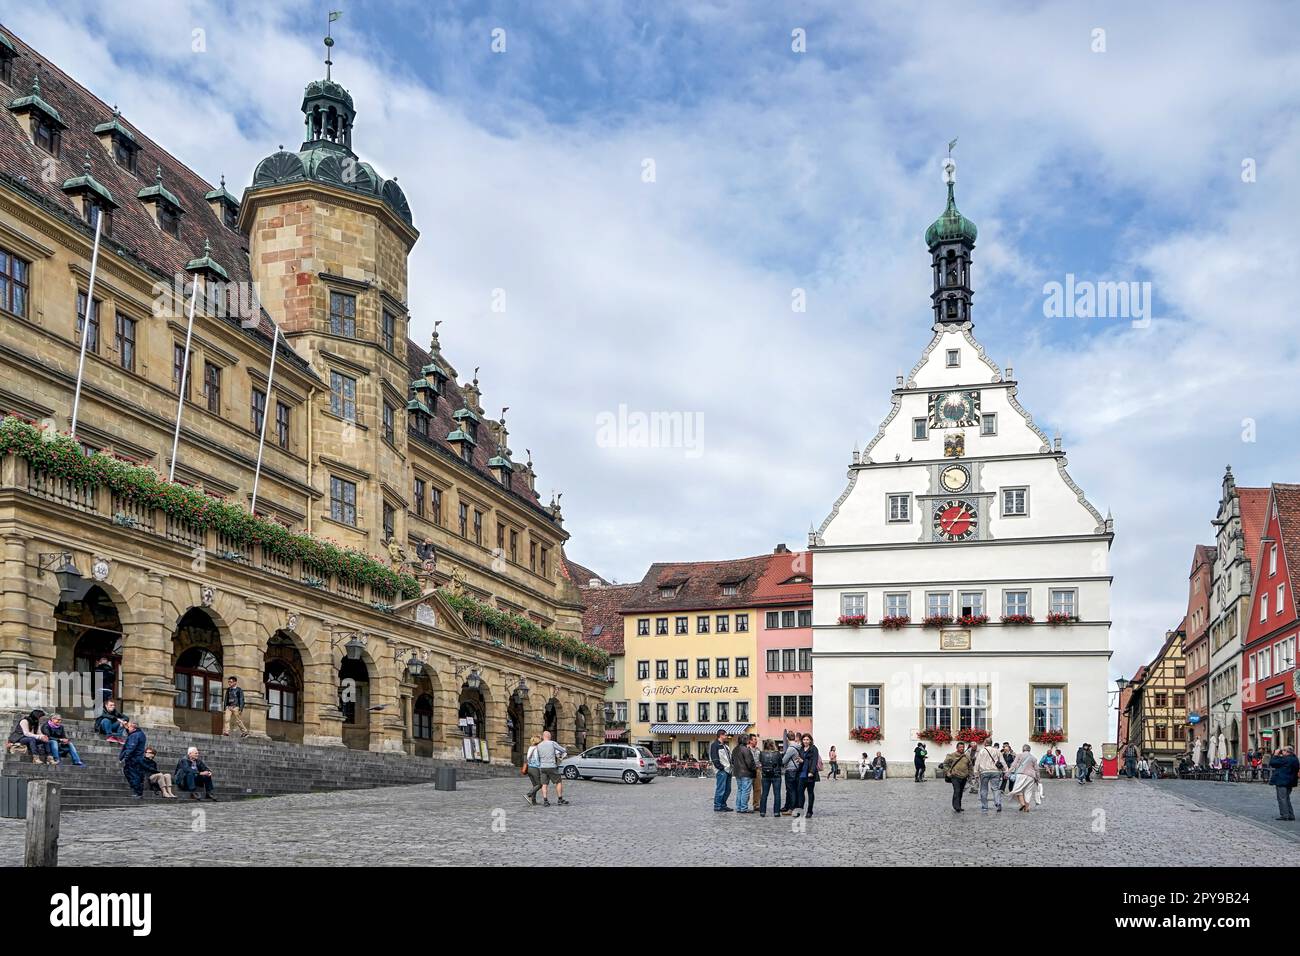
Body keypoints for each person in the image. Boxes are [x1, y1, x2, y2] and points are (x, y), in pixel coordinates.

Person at [534, 730, 568, 806]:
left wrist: (540, 764)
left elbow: (536, 758)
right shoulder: (552, 743)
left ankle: (545, 801)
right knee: (558, 782)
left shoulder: (538, 745)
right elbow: (562, 750)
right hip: (552, 766)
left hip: (543, 767)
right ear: (549, 736)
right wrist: (564, 750)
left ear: (543, 737)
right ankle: (560, 799)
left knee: (544, 784)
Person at [973, 738, 1007, 812]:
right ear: (991, 743)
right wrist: (1005, 771)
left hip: (984, 772)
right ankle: (998, 803)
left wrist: (976, 773)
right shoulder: (997, 751)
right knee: (995, 788)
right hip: (995, 772)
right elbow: (1002, 762)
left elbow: (977, 763)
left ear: (985, 743)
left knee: (984, 789)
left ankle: (985, 806)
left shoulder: (982, 751)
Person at [118, 719, 148, 799]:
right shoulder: (139, 733)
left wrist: (125, 757)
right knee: (134, 774)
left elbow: (131, 747)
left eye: (129, 727)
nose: (128, 728)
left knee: (133, 775)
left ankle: (137, 793)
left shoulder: (135, 735)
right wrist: (125, 727)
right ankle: (138, 792)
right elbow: (131, 735)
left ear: (134, 728)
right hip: (138, 758)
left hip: (133, 759)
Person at [1269, 745, 1299, 821]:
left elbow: (1272, 762)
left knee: (1282, 798)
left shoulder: (1286, 759)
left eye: (1283, 750)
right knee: (1286, 798)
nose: (1282, 751)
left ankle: (1284, 815)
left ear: (1287, 752)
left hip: (1282, 781)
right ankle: (1290, 815)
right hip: (1290, 781)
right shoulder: (1295, 759)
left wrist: (1275, 754)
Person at [1009, 744, 1040, 812]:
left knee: (1017, 790)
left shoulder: (1019, 755)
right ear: (1029, 750)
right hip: (1031, 776)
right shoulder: (1033, 758)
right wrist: (1038, 779)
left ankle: (1023, 804)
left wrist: (1008, 772)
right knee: (1028, 792)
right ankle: (1027, 807)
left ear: (1023, 749)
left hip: (1021, 775)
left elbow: (1013, 765)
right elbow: (1037, 769)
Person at [795, 733, 820, 818]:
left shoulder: (814, 749)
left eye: (807, 740)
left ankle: (810, 811)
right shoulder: (801, 749)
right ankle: (800, 810)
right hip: (802, 774)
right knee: (800, 793)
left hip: (809, 774)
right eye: (804, 739)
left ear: (810, 740)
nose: (805, 741)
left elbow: (814, 761)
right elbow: (801, 760)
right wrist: (800, 761)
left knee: (810, 793)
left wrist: (812, 772)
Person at [942, 743, 972, 812]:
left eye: (963, 747)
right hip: (955, 776)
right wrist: (948, 772)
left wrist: (970, 774)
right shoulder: (952, 755)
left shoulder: (966, 756)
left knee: (960, 791)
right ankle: (956, 806)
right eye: (960, 747)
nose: (962, 748)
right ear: (957, 748)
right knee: (957, 790)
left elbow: (970, 766)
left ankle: (959, 805)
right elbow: (945, 764)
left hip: (964, 776)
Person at [731, 733, 757, 813]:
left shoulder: (735, 749)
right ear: (745, 740)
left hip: (738, 773)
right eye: (748, 739)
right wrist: (754, 769)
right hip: (746, 773)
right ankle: (744, 808)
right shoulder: (745, 749)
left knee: (740, 790)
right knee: (745, 791)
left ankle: (739, 807)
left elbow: (732, 761)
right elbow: (750, 763)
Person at [758, 739, 784, 818]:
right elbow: (781, 763)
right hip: (776, 775)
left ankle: (762, 812)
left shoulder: (761, 753)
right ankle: (776, 812)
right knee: (777, 794)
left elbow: (760, 762)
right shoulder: (777, 753)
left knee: (764, 794)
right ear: (773, 744)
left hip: (765, 775)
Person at [710, 728, 733, 812]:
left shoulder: (725, 746)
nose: (726, 736)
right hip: (722, 771)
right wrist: (720, 768)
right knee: (721, 789)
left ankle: (723, 804)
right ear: (721, 735)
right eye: (725, 735)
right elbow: (714, 758)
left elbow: (729, 757)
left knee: (728, 789)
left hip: (728, 770)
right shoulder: (715, 745)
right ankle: (717, 806)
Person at [780, 731, 801, 814]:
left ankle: (791, 809)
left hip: (790, 770)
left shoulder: (791, 748)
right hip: (796, 770)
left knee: (791, 790)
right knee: (793, 790)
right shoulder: (798, 746)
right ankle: (788, 806)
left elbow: (784, 761)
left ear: (787, 738)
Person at [522, 734, 543, 805]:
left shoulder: (530, 747)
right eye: (541, 739)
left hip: (529, 768)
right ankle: (528, 795)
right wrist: (540, 768)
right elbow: (537, 760)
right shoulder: (537, 748)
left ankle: (533, 801)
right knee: (540, 784)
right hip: (535, 768)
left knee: (535, 785)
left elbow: (528, 758)